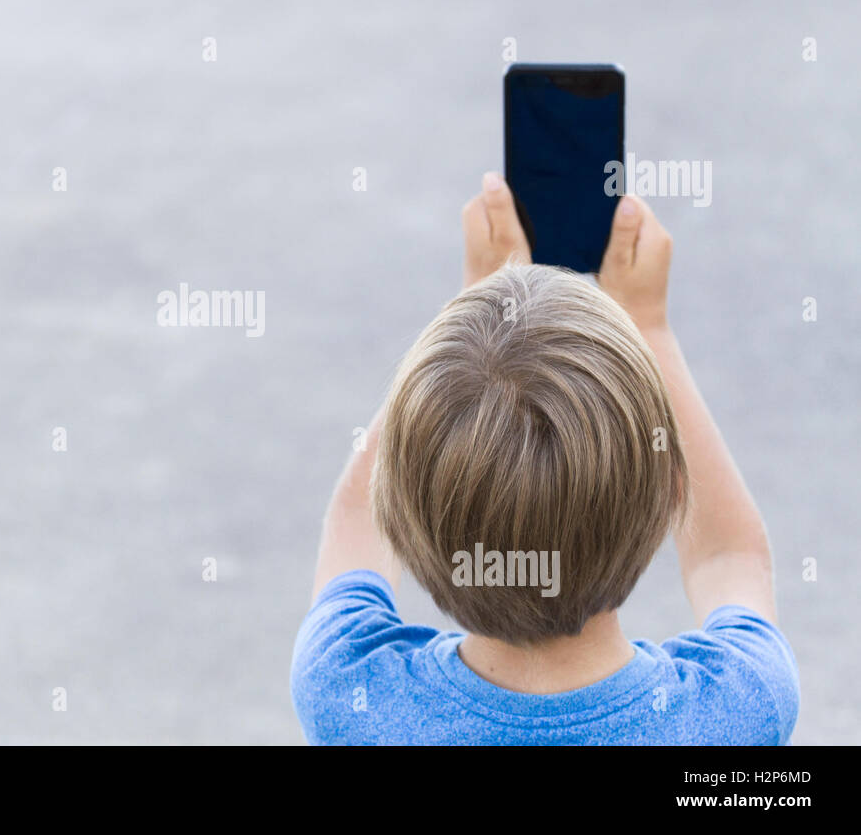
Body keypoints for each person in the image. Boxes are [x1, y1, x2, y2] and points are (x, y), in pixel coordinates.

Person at [291, 172, 798, 744]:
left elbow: (358, 520)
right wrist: (647, 322)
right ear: (675, 493)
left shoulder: (348, 692)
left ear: (401, 525)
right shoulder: (736, 712)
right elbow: (728, 558)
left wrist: (476, 302)